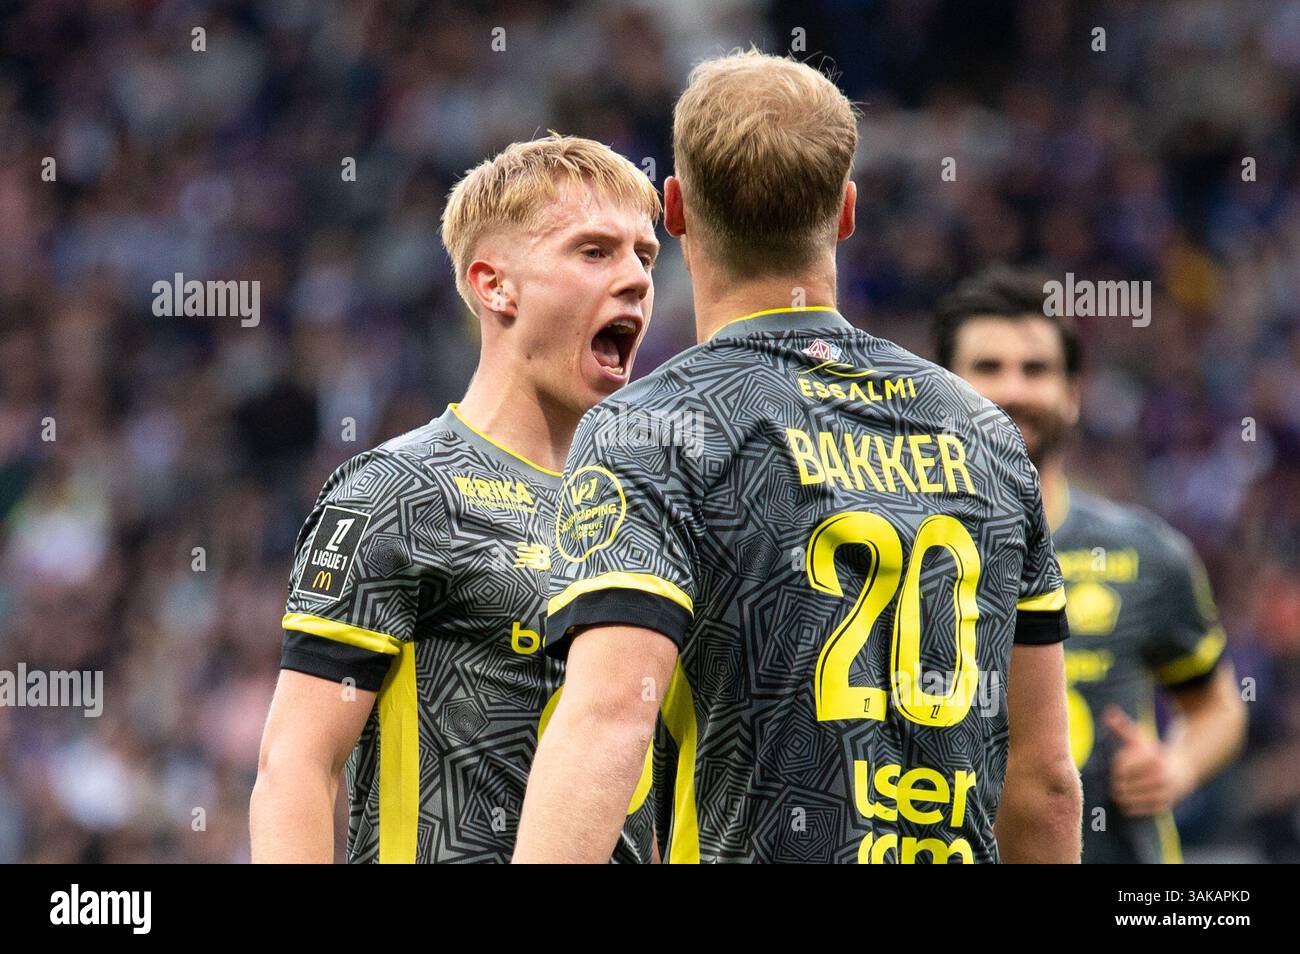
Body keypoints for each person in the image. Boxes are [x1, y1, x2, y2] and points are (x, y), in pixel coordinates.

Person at [514, 52, 1080, 864]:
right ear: (847, 211)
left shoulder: (653, 427)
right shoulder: (984, 431)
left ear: (674, 210)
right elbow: (1046, 781)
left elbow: (608, 719)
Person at [250, 134, 661, 862]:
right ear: (494, 285)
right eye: (594, 251)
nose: (634, 278)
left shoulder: (653, 508)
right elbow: (297, 771)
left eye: (645, 255)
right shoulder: (396, 493)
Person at [933, 266, 1247, 863]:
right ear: (942, 389)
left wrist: (1175, 765)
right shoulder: (898, 553)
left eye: (1036, 370)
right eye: (987, 369)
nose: (1013, 391)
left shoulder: (1146, 553)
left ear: (1074, 395)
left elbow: (1218, 706)